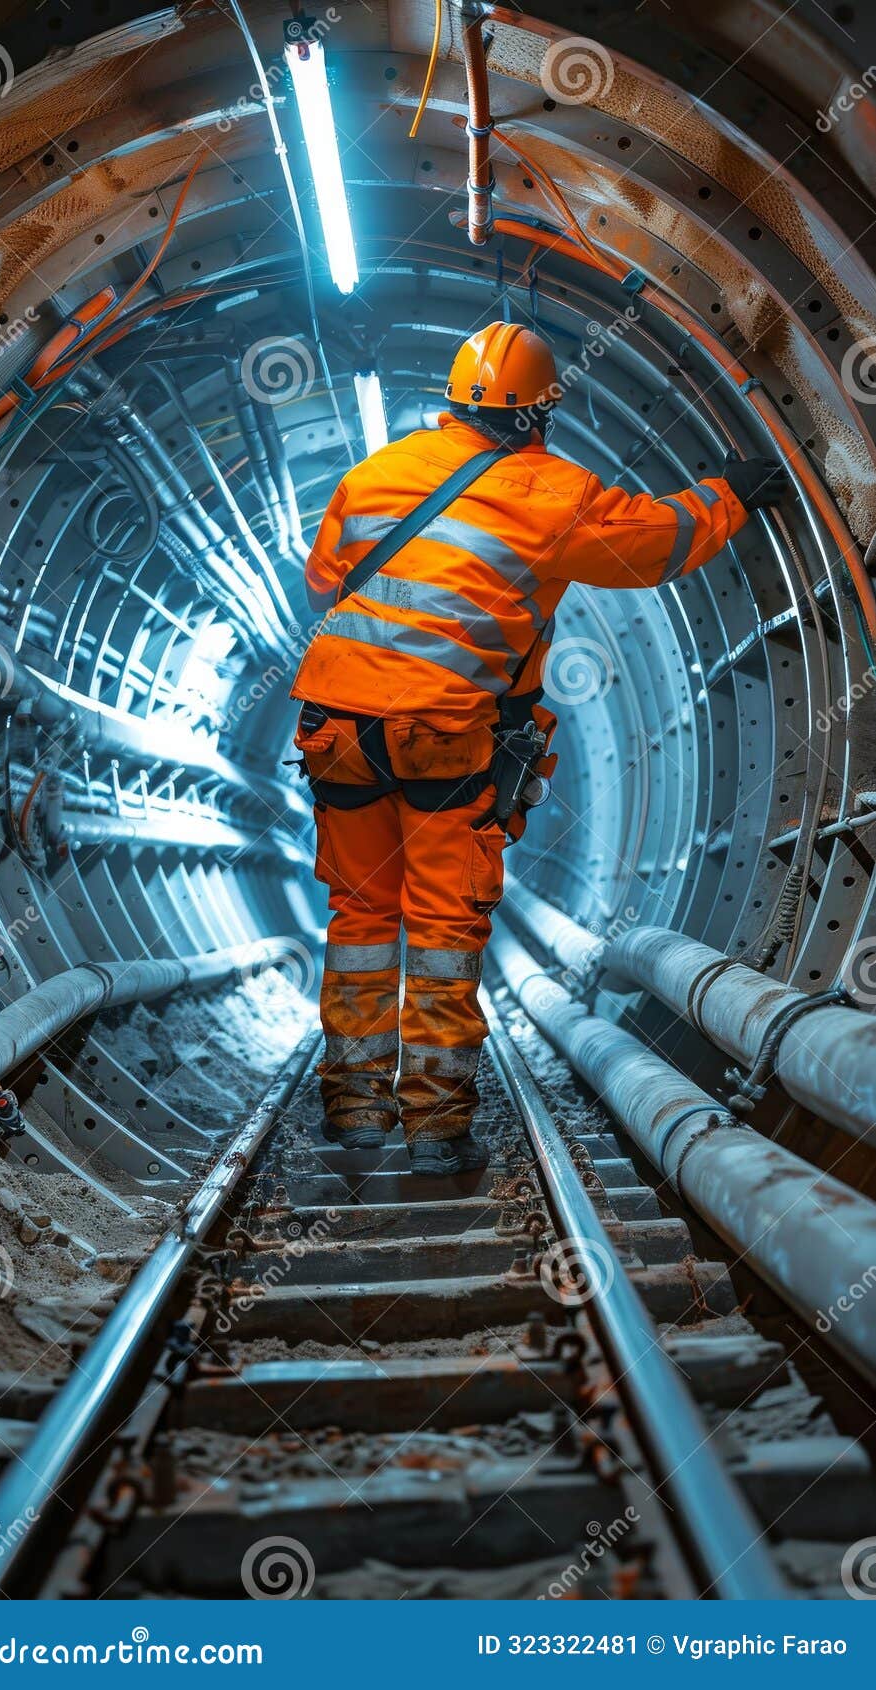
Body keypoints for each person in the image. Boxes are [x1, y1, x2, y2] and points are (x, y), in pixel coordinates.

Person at [289, 321, 787, 1174]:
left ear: (455, 402)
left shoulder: (375, 474)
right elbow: (658, 544)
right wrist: (733, 491)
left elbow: (324, 576)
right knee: (443, 925)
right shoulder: (555, 494)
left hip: (334, 725)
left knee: (362, 916)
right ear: (538, 414)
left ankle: (355, 1112)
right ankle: (436, 1125)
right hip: (442, 734)